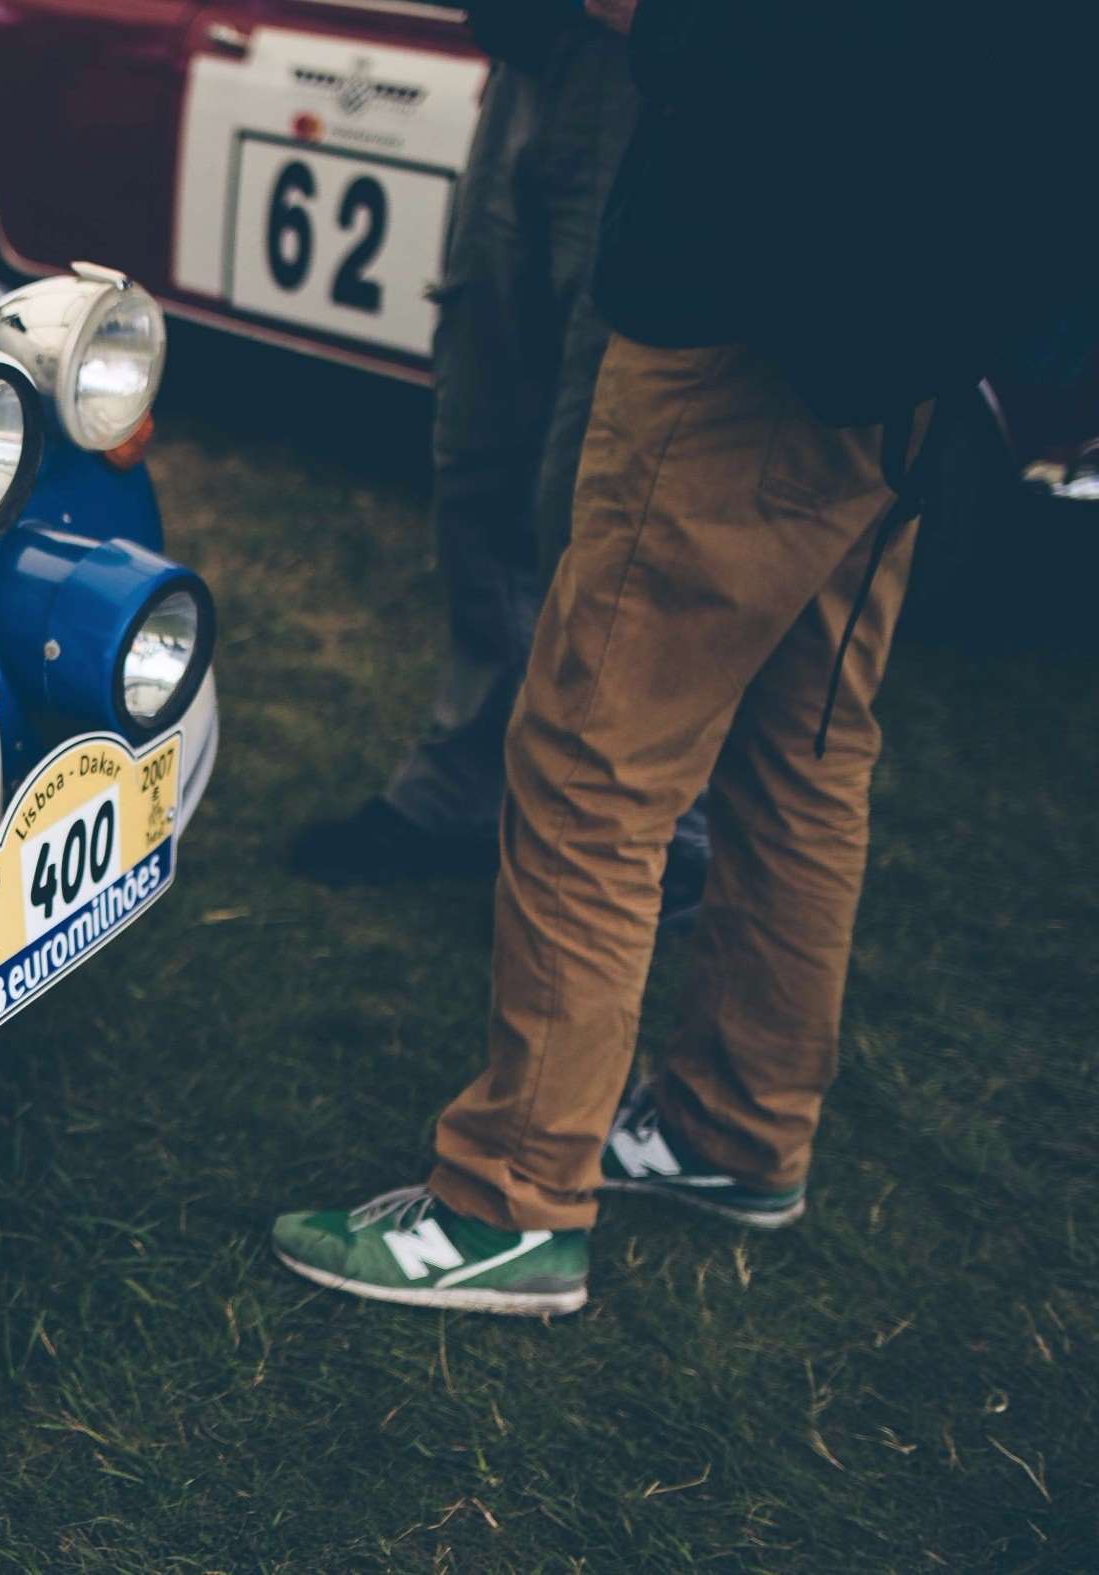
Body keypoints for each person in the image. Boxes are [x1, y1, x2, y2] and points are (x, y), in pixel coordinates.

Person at [267, 0, 1087, 1313]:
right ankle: (735, 1125)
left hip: (761, 298)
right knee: (805, 744)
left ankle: (512, 1199)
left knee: (596, 748)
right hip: (915, 322)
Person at [288, 0, 711, 927]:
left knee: (603, 495)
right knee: (479, 455)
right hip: (525, 63)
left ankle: (657, 835)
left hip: (659, 90)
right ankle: (464, 787)